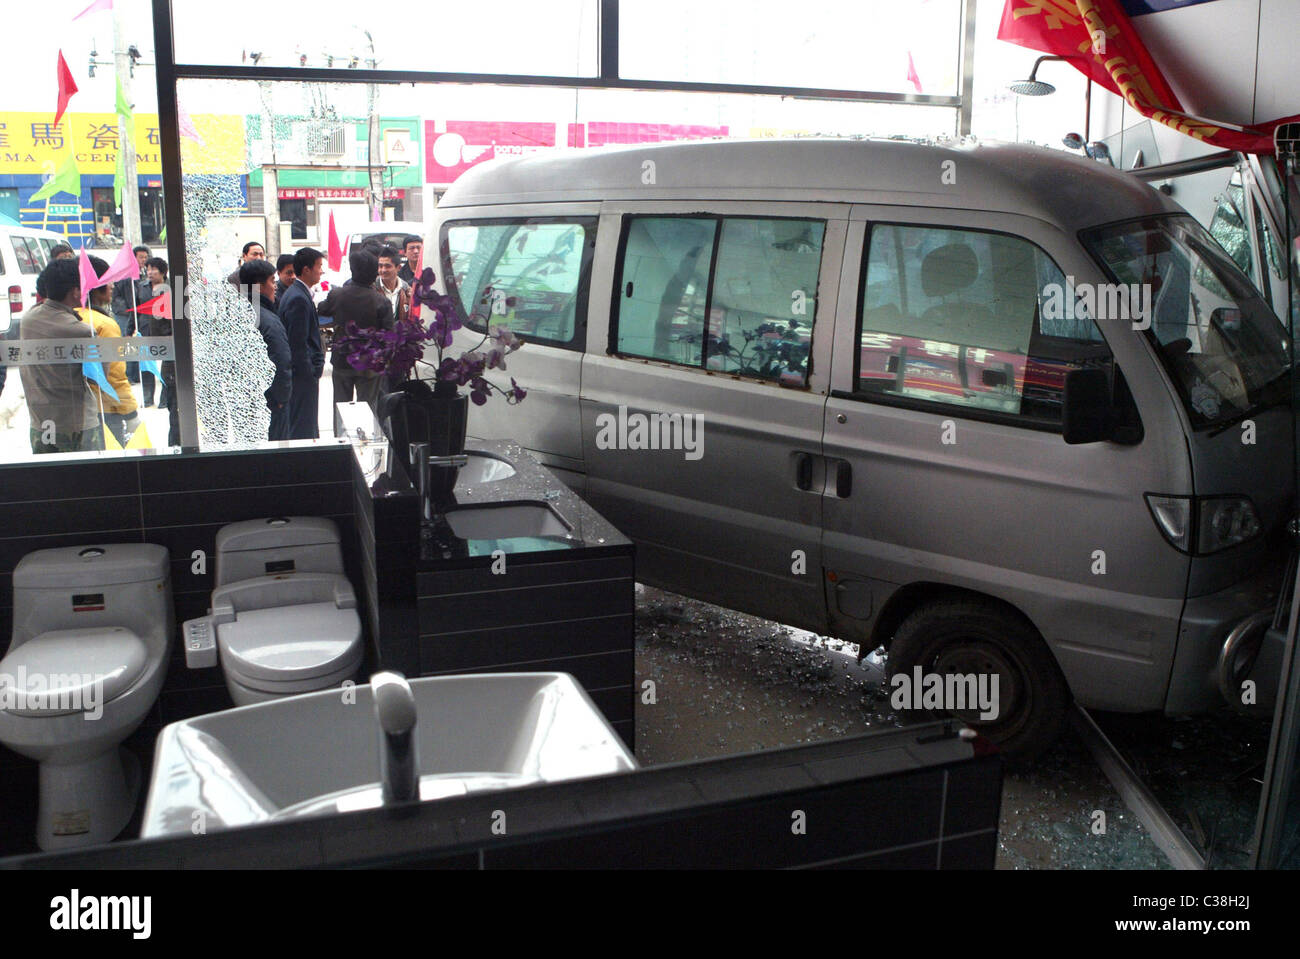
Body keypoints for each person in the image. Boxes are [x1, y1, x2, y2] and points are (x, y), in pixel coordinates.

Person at [19, 258, 101, 453]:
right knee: (86, 479)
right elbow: (97, 377)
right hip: (77, 425)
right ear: (74, 291)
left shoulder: (27, 319)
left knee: (47, 480)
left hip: (40, 422)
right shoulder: (82, 331)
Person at [317, 248, 394, 411]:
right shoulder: (382, 301)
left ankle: (340, 436)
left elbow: (322, 309)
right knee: (367, 408)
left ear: (352, 270)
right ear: (375, 273)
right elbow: (388, 334)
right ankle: (366, 436)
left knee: (341, 407)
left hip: (342, 360)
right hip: (370, 363)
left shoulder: (337, 294)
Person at [80, 255, 140, 447]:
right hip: (107, 410)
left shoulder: (72, 317)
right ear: (97, 287)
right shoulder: (104, 324)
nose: (113, 286)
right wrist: (130, 411)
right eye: (109, 281)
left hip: (79, 410)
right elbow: (114, 375)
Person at [239, 258, 293, 442]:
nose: (275, 286)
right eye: (272, 280)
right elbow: (281, 359)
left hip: (246, 400)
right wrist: (281, 398)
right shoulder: (266, 319)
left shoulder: (239, 313)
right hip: (270, 400)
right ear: (258, 286)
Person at [278, 247, 326, 439]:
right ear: (306, 269)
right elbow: (297, 343)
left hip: (303, 376)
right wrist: (310, 372)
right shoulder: (297, 298)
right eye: (319, 266)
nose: (321, 271)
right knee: (302, 427)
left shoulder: (299, 293)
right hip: (301, 377)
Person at [112, 245, 151, 386]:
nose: (144, 260)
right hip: (124, 313)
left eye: (146, 257)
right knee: (128, 343)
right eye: (141, 257)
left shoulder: (144, 272)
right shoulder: (126, 274)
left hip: (135, 312)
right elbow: (129, 297)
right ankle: (129, 374)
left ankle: (136, 374)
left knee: (136, 343)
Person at [375, 244, 412, 326]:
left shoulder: (408, 291)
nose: (383, 270)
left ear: (398, 268)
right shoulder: (372, 289)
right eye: (380, 266)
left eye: (387, 266)